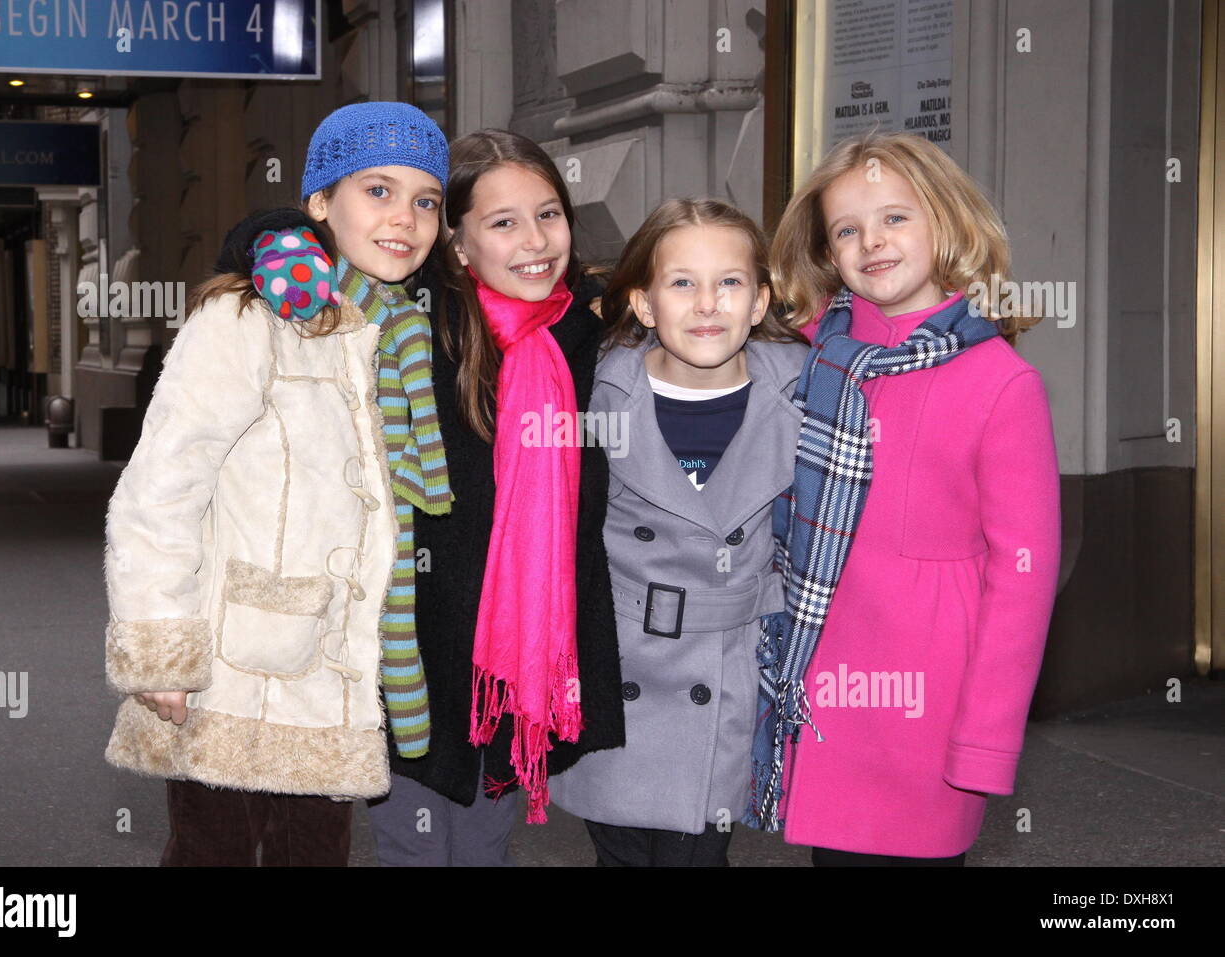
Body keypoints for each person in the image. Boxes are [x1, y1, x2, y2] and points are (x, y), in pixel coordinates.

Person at [239, 128, 626, 866]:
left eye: (550, 213)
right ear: (456, 244)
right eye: (503, 222)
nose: (535, 239)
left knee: (483, 847)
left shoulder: (588, 334)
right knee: (412, 846)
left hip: (517, 654)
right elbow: (308, 242)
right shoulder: (417, 324)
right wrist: (270, 238)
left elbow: (698, 279)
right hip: (414, 647)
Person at [102, 101, 450, 866]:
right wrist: (163, 653)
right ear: (320, 202)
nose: (406, 217)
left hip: (333, 676)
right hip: (233, 670)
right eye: (379, 190)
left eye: (427, 199)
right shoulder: (248, 317)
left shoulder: (395, 333)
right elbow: (161, 488)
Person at [748, 130, 1062, 865]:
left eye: (895, 217)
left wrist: (984, 740)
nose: (872, 241)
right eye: (847, 228)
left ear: (945, 223)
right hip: (818, 695)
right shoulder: (805, 359)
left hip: (927, 709)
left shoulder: (1002, 384)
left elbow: (1023, 581)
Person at [546, 199, 807, 867]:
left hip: (726, 666)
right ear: (643, 302)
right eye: (682, 282)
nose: (706, 303)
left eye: (730, 281)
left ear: (759, 301)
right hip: (620, 663)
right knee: (623, 855)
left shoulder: (805, 393)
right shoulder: (590, 393)